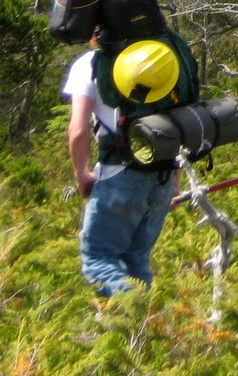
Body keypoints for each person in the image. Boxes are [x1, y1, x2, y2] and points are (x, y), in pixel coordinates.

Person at [64, 35, 183, 297]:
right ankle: (143, 332)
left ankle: (132, 313)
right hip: (162, 175)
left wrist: (82, 175)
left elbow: (78, 132)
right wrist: (175, 183)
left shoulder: (91, 64)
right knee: (136, 261)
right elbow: (175, 121)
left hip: (118, 173)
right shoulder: (162, 60)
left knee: (97, 260)